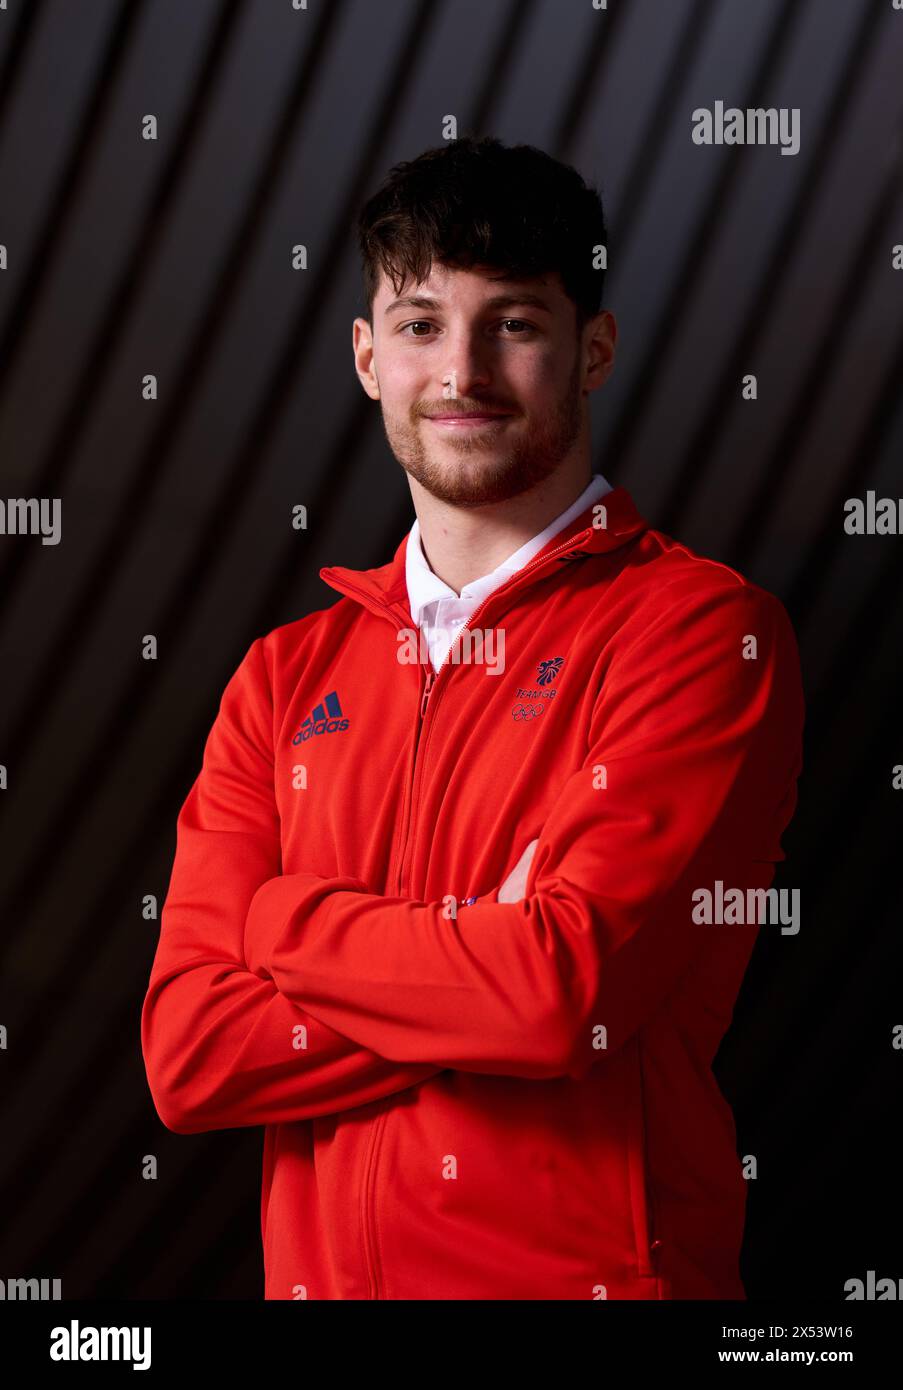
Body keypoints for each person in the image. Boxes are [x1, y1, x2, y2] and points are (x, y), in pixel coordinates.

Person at [141, 136, 805, 1300]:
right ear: (366, 357)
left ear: (593, 348)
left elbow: (556, 995)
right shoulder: (282, 679)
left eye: (515, 322)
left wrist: (285, 923)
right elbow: (192, 1057)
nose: (462, 370)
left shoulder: (699, 631)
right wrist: (473, 956)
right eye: (420, 324)